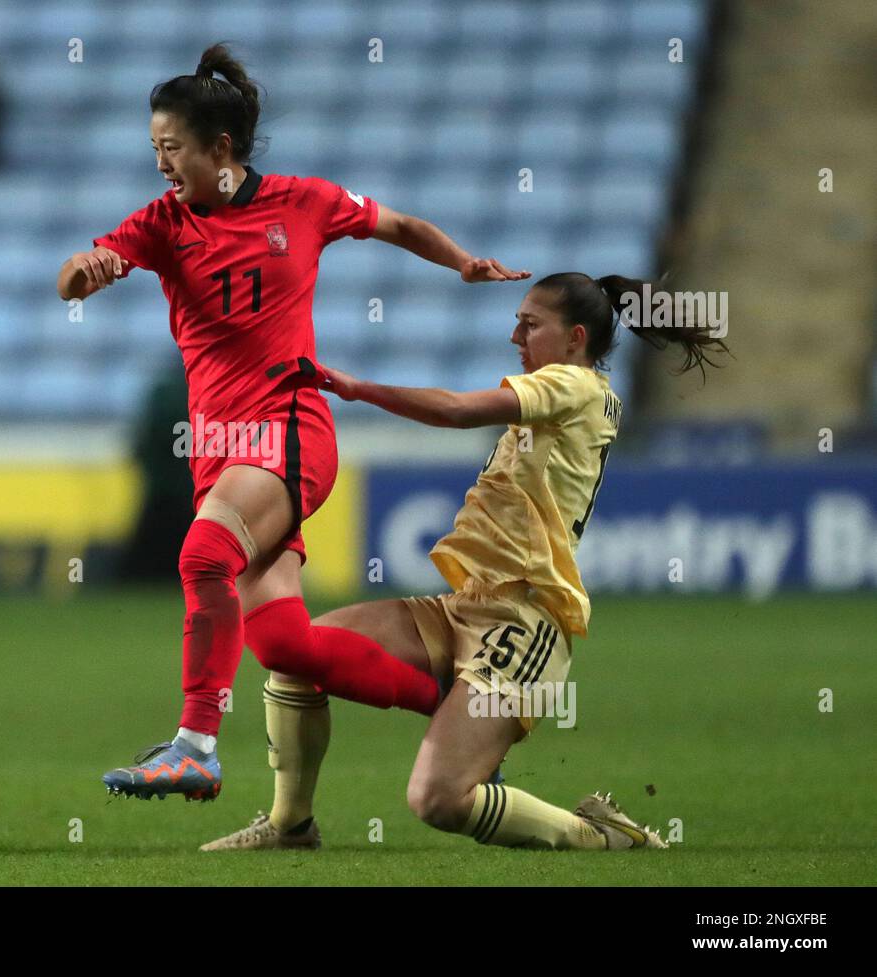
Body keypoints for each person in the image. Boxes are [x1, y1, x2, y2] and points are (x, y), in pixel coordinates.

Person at [56, 43, 529, 801]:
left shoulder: (303, 203)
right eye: (153, 149)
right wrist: (88, 271)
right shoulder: (161, 223)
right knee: (285, 643)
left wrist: (464, 262)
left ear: (220, 148)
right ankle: (456, 710)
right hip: (220, 452)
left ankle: (194, 746)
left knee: (202, 555)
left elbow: (397, 223)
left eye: (170, 148)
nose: (160, 164)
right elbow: (73, 276)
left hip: (288, 431)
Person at [200, 272, 728, 850]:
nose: (513, 336)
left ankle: (602, 836)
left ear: (576, 337)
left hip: (521, 627)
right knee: (298, 653)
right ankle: (289, 825)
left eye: (530, 324)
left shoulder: (574, 385)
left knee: (439, 799)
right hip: (462, 608)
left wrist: (352, 387)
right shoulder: (565, 394)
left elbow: (455, 410)